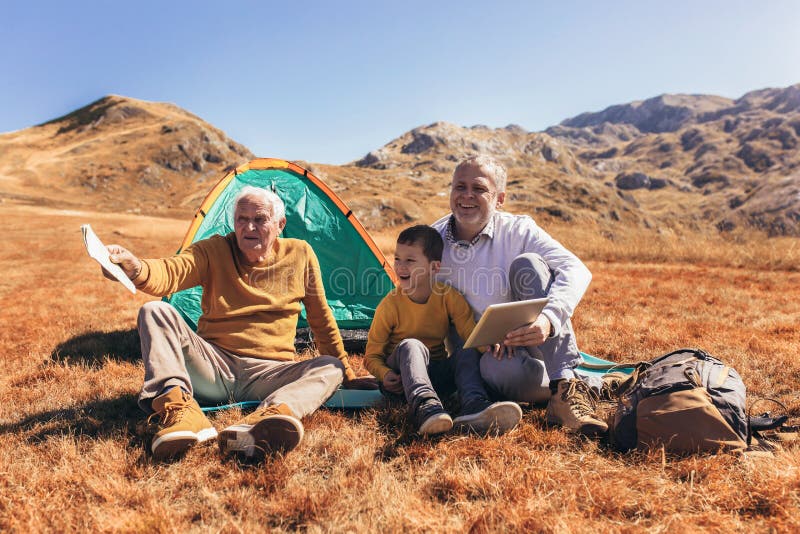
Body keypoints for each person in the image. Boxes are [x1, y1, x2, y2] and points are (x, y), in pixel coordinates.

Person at [102, 185, 373, 460]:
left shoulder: (300, 254)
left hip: (270, 374)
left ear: (280, 225)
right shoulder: (215, 250)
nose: (249, 227)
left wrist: (348, 377)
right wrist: (136, 268)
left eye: (259, 219)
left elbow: (321, 319)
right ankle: (181, 413)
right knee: (155, 311)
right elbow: (171, 271)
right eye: (242, 219)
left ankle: (267, 419)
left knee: (331, 367)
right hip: (213, 367)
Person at [431, 155, 607, 435]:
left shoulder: (519, 229)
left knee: (529, 264)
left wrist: (548, 320)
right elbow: (413, 302)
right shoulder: (432, 240)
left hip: (537, 338)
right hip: (486, 359)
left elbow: (575, 269)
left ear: (499, 199)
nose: (466, 196)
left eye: (478, 189)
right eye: (459, 187)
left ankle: (565, 387)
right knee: (494, 371)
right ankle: (586, 384)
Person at [364, 225, 522, 435]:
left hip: (437, 376)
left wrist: (489, 343)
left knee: (466, 350)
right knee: (412, 345)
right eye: (397, 259)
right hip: (401, 381)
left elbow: (470, 335)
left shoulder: (448, 297)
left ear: (434, 267)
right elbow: (371, 356)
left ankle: (474, 404)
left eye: (410, 261)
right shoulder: (390, 305)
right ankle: (425, 408)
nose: (401, 266)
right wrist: (384, 375)